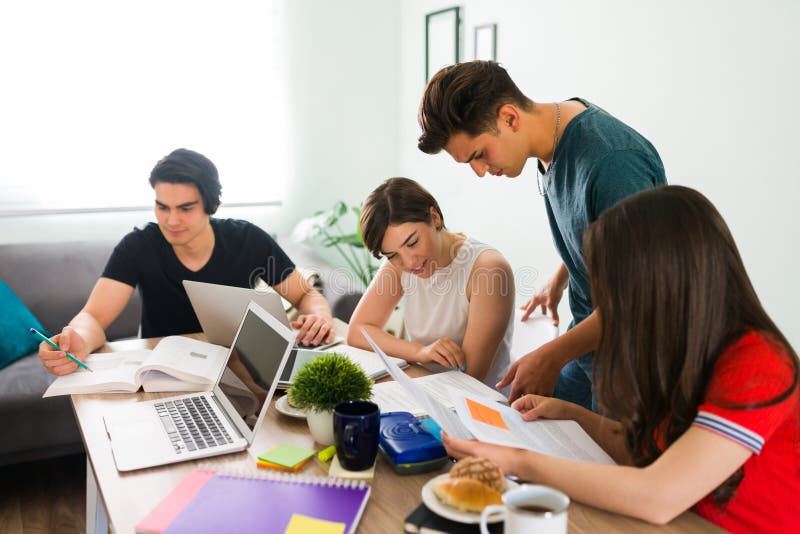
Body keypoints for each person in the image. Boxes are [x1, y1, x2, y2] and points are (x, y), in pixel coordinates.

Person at [442, 186, 800, 532]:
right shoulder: (683, 348)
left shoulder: (759, 364)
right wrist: (573, 415)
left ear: (664, 286)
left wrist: (520, 462)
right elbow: (648, 452)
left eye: (618, 292)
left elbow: (659, 494)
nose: (611, 310)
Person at [418, 60, 667, 407]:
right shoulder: (551, 144)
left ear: (509, 117)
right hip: (587, 343)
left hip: (630, 355)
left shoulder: (613, 163)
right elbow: (601, 229)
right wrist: (560, 278)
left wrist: (549, 356)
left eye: (479, 154)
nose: (479, 172)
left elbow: (638, 300)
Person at [38, 148, 335, 376]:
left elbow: (305, 294)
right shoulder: (138, 246)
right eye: (162, 206)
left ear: (212, 205)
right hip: (164, 372)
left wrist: (319, 316)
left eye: (185, 208)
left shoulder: (248, 240)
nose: (171, 220)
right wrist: (75, 338)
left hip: (236, 370)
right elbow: (93, 317)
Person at [347, 177, 514, 389]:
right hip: (426, 389)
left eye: (413, 243)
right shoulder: (400, 265)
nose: (408, 262)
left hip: (478, 405)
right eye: (392, 255)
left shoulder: (488, 270)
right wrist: (420, 352)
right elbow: (358, 331)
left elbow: (471, 378)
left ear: (434, 217)